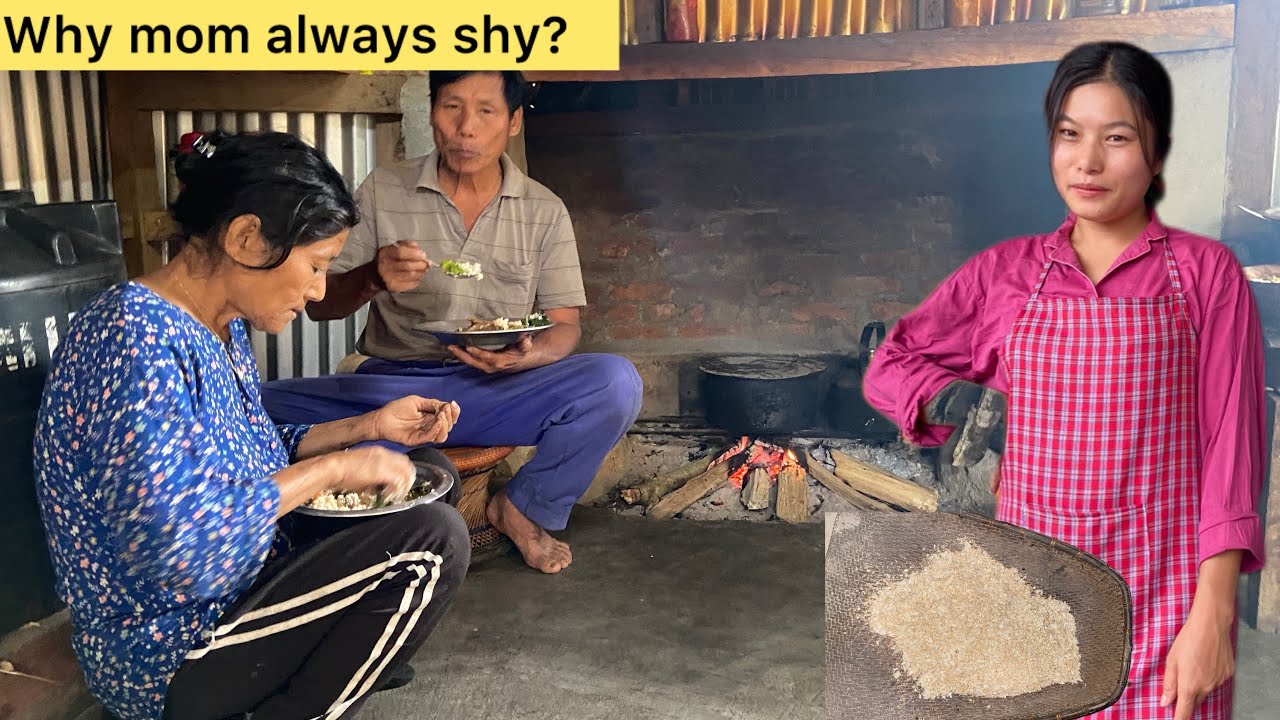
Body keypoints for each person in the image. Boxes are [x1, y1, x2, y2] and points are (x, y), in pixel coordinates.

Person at [862, 42, 1264, 720]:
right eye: (1070, 135)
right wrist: (955, 399)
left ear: (1157, 154)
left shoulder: (1204, 274)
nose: (1088, 161)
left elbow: (1232, 451)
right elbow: (889, 364)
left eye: (1117, 138)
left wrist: (1214, 614)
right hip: (1035, 603)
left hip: (1164, 604)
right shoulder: (1005, 274)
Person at [33, 130, 471, 720]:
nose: (318, 290)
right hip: (169, 647)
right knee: (431, 542)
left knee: (426, 474)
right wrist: (332, 469)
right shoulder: (133, 341)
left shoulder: (219, 322)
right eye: (316, 265)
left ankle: (335, 651)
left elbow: (254, 453)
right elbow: (181, 552)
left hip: (244, 579)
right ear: (246, 238)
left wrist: (370, 428)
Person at [258, 70, 644, 575]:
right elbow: (320, 304)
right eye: (452, 107)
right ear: (432, 111)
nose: (466, 128)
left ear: (513, 121)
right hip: (391, 389)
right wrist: (373, 276)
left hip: (496, 390)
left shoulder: (543, 211)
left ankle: (522, 508)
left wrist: (526, 357)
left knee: (615, 382)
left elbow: (564, 325)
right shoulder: (384, 190)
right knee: (257, 406)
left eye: (486, 111)